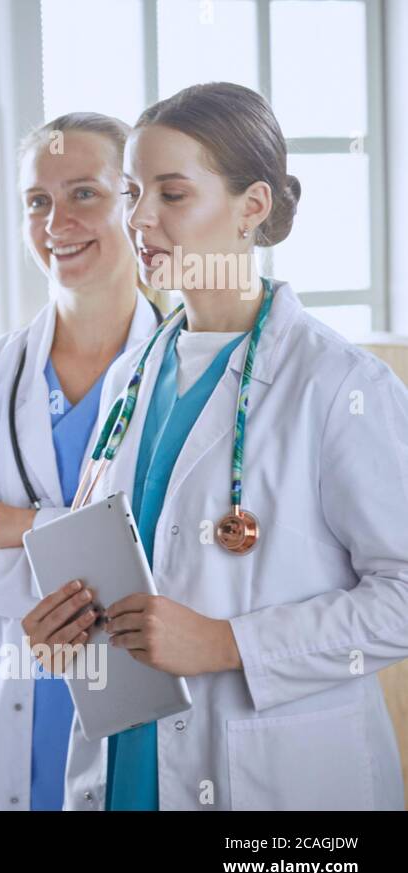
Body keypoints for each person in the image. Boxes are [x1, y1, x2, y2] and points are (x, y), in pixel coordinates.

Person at [30, 82, 408, 810]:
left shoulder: (336, 385)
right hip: (125, 759)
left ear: (252, 207)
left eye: (172, 194)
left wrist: (231, 643)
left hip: (273, 779)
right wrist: (70, 628)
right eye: (133, 191)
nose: (138, 218)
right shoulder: (131, 380)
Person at [0, 113, 162, 810]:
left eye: (84, 193)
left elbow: (184, 562)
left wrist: (10, 526)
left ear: (135, 203)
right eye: (38, 200)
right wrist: (94, 549)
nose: (57, 220)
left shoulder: (184, 373)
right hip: (9, 714)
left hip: (141, 714)